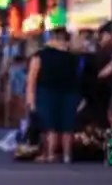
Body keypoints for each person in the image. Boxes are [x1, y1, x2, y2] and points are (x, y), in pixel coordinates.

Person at [27, 28, 81, 164]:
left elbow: (32, 78)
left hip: (46, 92)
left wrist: (30, 99)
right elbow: (78, 78)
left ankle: (50, 154)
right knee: (67, 127)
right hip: (69, 93)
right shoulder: (73, 57)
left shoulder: (40, 55)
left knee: (49, 125)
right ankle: (67, 155)